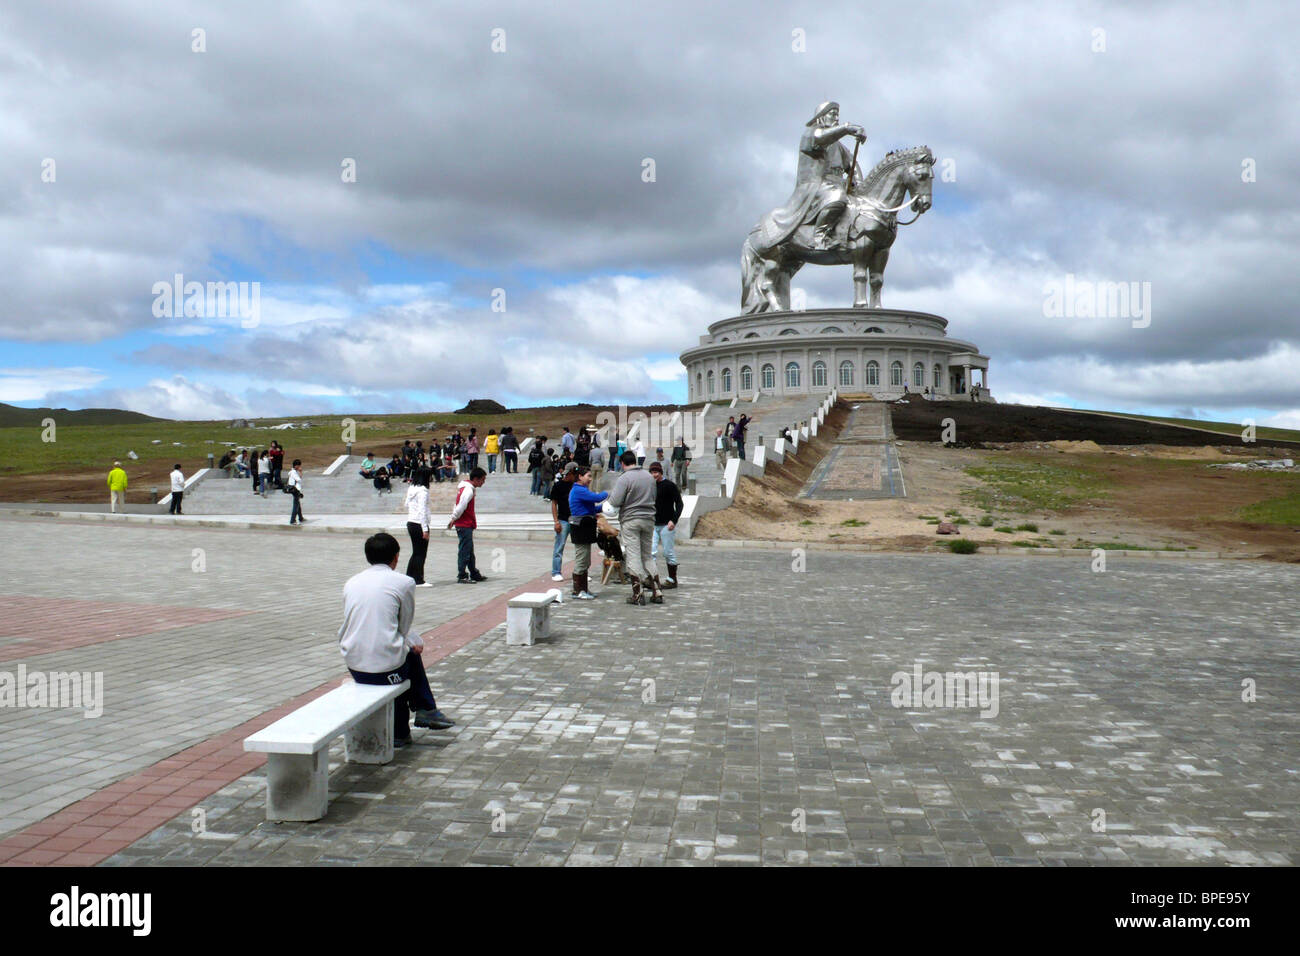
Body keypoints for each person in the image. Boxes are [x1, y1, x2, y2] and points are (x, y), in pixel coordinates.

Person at [338, 532, 454, 747]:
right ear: (396, 557)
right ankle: (424, 710)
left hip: (354, 663)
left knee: (402, 658)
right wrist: (412, 643)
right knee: (405, 660)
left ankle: (408, 726)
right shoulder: (404, 582)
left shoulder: (351, 582)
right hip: (382, 669)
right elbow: (404, 625)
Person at [607, 450, 660, 605]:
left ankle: (638, 594)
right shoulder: (649, 477)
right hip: (649, 519)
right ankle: (657, 591)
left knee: (633, 556)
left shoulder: (624, 478)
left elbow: (615, 501)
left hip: (631, 520)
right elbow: (654, 497)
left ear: (622, 463)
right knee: (647, 556)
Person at [567, 466, 608, 600]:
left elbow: (592, 508)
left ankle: (584, 589)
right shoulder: (579, 490)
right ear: (580, 477)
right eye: (588, 476)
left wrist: (606, 507)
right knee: (581, 560)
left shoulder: (582, 490)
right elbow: (596, 498)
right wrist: (609, 493)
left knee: (586, 561)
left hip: (585, 528)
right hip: (580, 528)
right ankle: (578, 591)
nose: (590, 479)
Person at [448, 467, 488, 584]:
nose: (483, 482)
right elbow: (460, 506)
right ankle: (462, 575)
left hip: (466, 523)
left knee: (469, 550)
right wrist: (454, 518)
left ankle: (474, 573)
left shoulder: (466, 488)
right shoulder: (468, 490)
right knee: (465, 550)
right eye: (482, 480)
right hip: (464, 524)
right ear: (476, 479)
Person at [648, 461, 683, 589]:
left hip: (667, 525)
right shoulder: (649, 486)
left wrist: (674, 520)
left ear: (661, 472)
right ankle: (651, 578)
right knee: (650, 552)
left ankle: (672, 579)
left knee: (668, 552)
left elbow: (679, 504)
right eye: (651, 472)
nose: (654, 475)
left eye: (656, 472)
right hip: (652, 524)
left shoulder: (670, 486)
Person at [404, 468, 432, 586]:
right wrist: (425, 529)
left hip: (411, 522)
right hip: (419, 524)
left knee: (416, 552)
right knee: (421, 553)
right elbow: (422, 510)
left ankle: (410, 577)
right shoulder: (423, 492)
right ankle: (418, 580)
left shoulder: (412, 488)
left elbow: (406, 504)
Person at [549, 462, 577, 582]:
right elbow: (554, 504)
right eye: (575, 474)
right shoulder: (558, 486)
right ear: (570, 473)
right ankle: (556, 571)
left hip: (576, 520)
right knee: (559, 547)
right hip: (563, 519)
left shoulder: (576, 486)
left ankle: (580, 572)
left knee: (580, 548)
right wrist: (556, 521)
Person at [287, 458, 306, 525]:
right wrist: (300, 472)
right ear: (296, 466)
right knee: (296, 505)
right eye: (299, 466)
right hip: (295, 490)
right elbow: (299, 480)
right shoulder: (293, 472)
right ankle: (292, 520)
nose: (300, 467)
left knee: (298, 504)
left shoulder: (292, 472)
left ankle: (301, 518)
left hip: (295, 489)